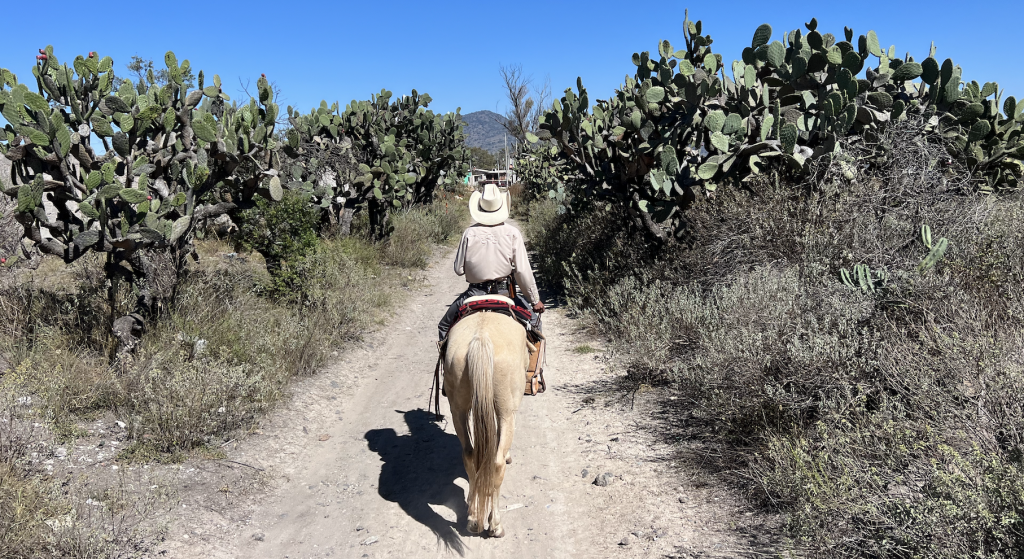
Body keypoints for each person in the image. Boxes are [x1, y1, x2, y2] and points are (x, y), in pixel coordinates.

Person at [437, 183, 544, 341]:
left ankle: (447, 364)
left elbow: (458, 269)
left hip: (475, 292)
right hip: (504, 292)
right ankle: (533, 366)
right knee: (534, 324)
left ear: (480, 207)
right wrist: (535, 300)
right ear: (501, 206)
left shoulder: (469, 233)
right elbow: (522, 271)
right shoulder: (512, 233)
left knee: (444, 326)